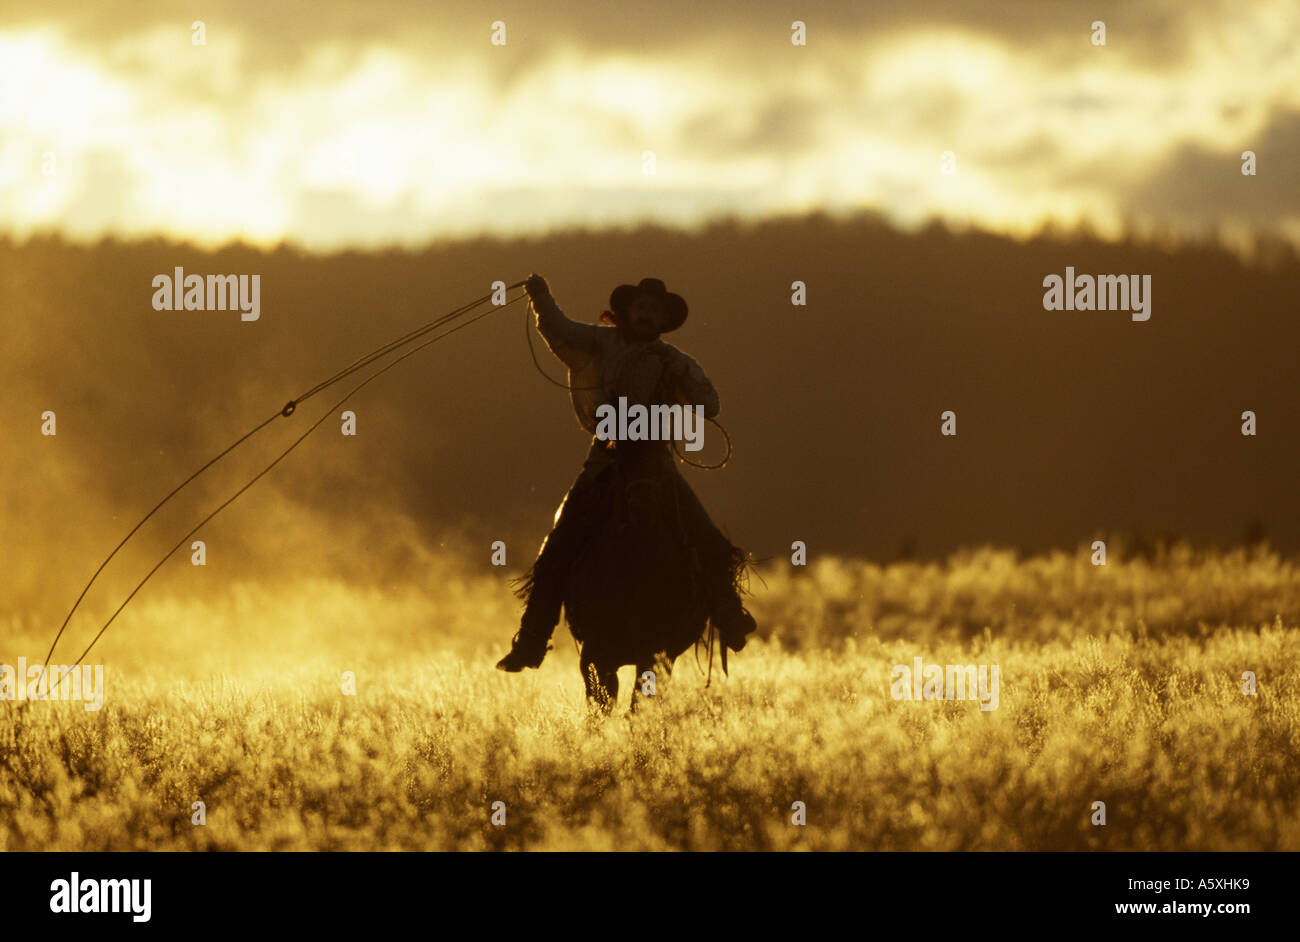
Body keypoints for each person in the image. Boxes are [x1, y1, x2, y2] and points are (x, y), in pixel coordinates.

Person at [496, 273, 756, 671]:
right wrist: (541, 296)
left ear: (663, 320)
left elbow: (710, 404)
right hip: (606, 463)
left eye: (655, 310)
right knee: (556, 549)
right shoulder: (600, 342)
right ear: (626, 312)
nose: (647, 314)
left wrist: (681, 374)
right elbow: (558, 328)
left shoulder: (676, 360)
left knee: (711, 544)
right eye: (642, 307)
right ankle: (532, 641)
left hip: (656, 465)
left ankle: (729, 616)